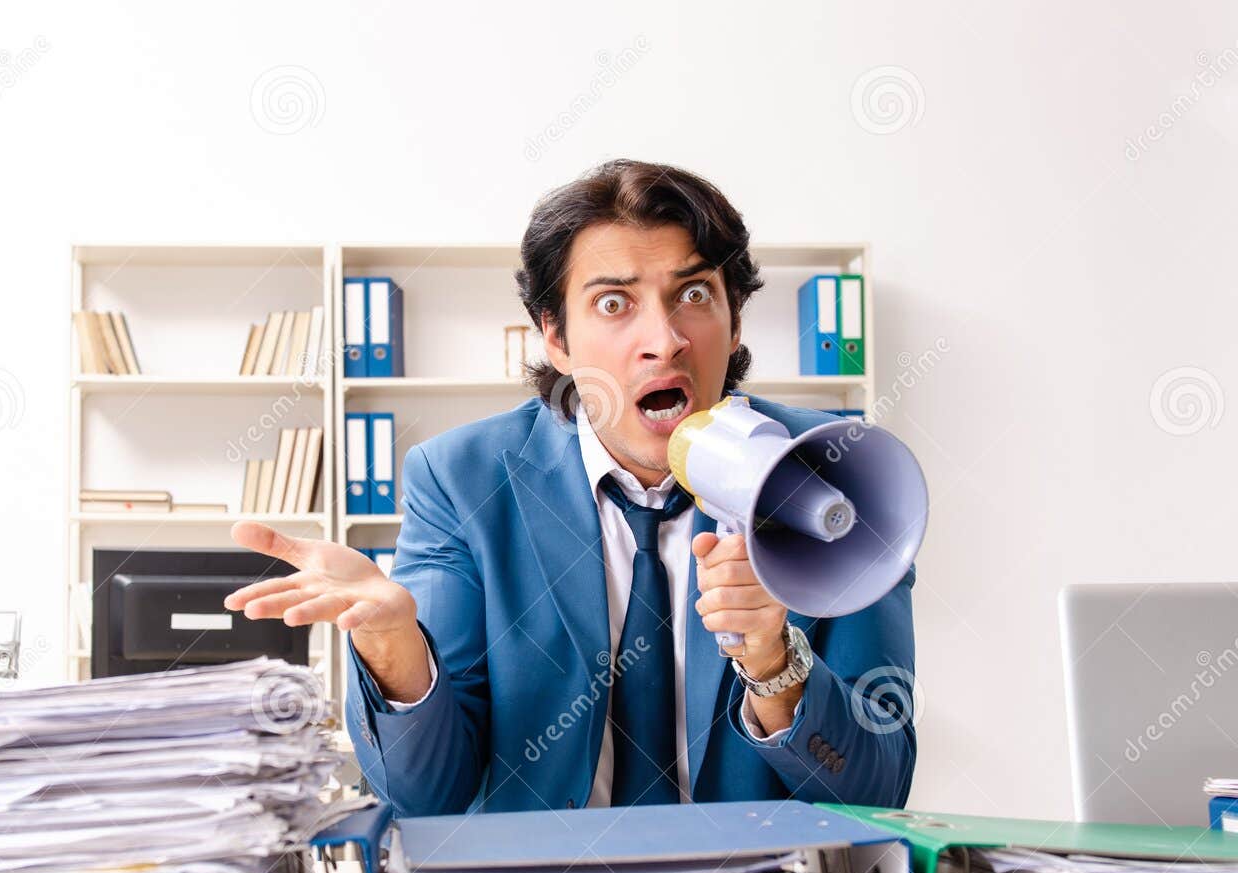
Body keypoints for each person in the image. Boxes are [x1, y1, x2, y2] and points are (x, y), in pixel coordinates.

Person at [225, 158, 916, 817]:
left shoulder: (833, 476)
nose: (664, 339)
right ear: (555, 337)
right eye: (614, 303)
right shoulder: (461, 481)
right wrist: (394, 648)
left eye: (695, 295)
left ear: (735, 320)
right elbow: (427, 796)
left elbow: (875, 793)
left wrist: (774, 662)